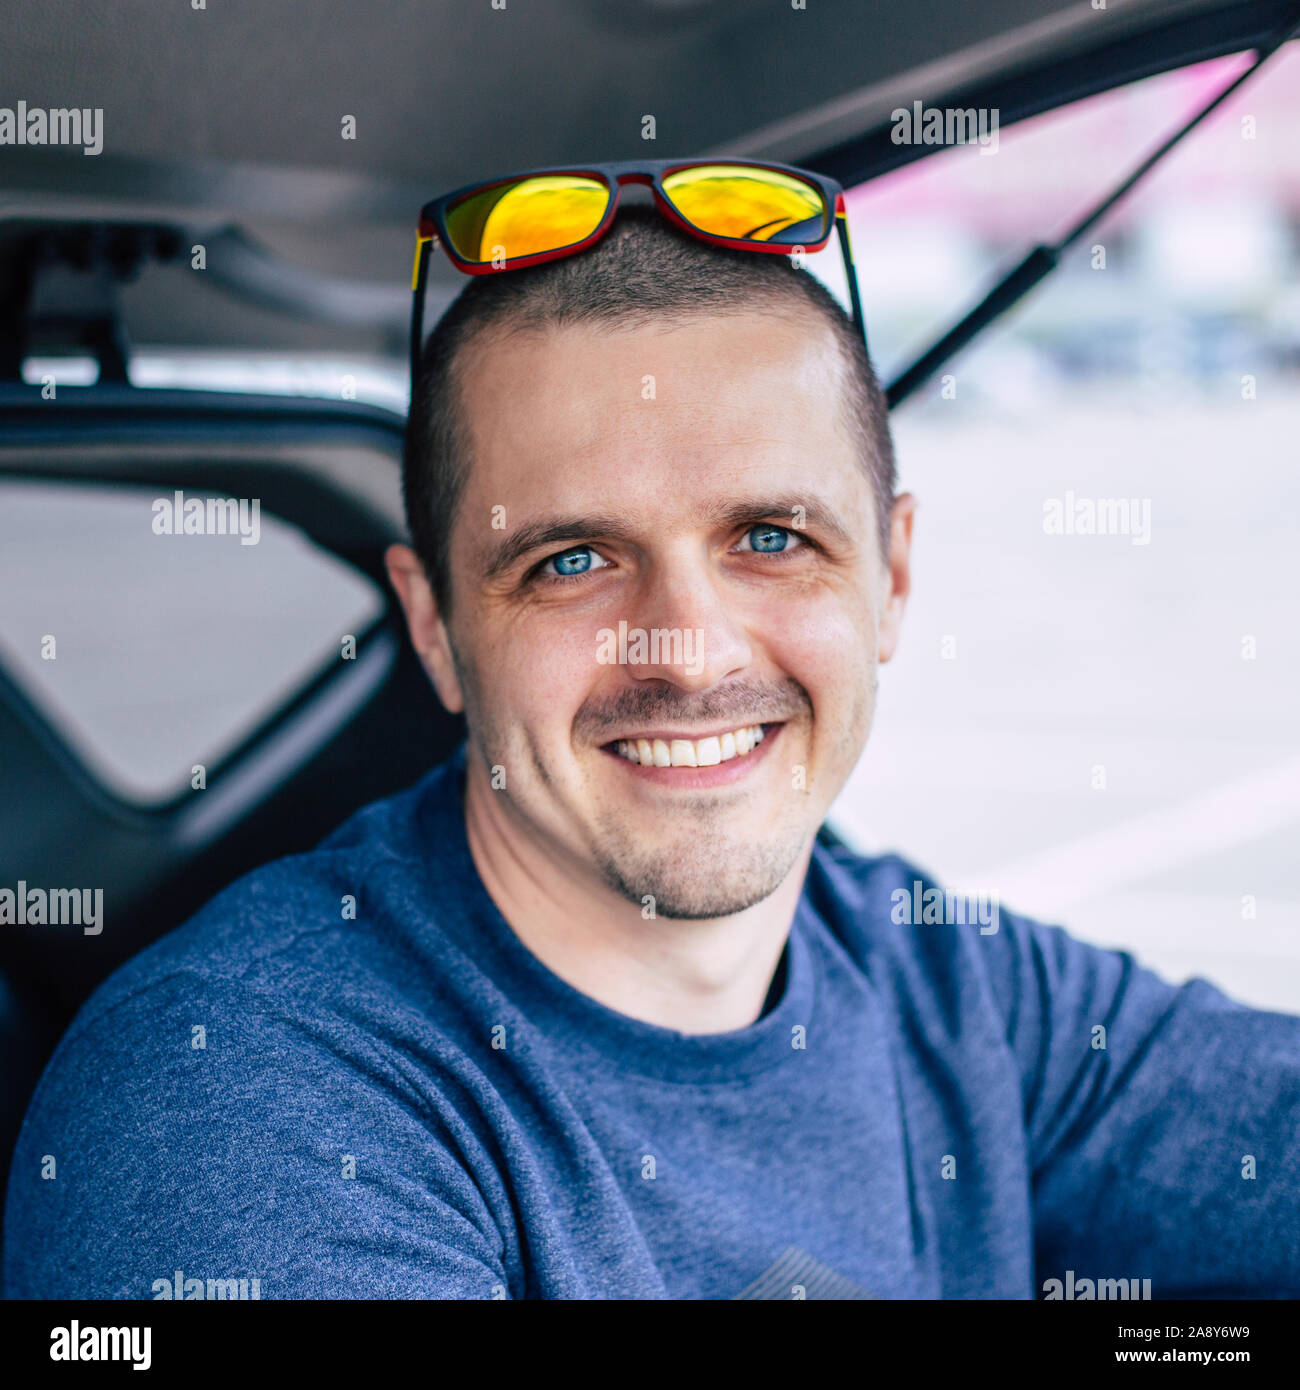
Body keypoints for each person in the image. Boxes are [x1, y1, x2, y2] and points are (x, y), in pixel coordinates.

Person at [5, 197, 1298, 1300]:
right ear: (436, 630)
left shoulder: (949, 984)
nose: (684, 651)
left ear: (893, 578)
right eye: (572, 559)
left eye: (772, 539)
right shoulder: (238, 1100)